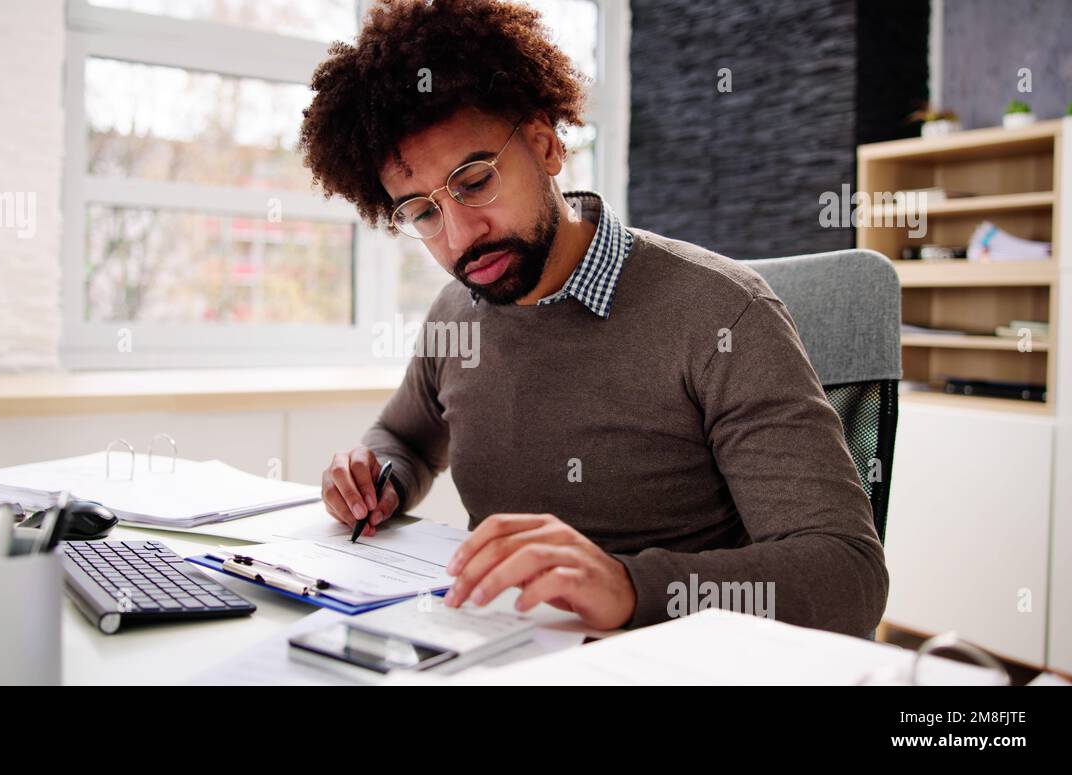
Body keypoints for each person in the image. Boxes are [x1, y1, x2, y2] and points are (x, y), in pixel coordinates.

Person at [301, 0, 887, 634]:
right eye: (422, 212)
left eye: (474, 182)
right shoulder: (457, 314)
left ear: (545, 144)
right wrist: (374, 475)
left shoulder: (722, 313)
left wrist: (631, 587)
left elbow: (846, 574)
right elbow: (406, 440)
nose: (460, 236)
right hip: (496, 649)